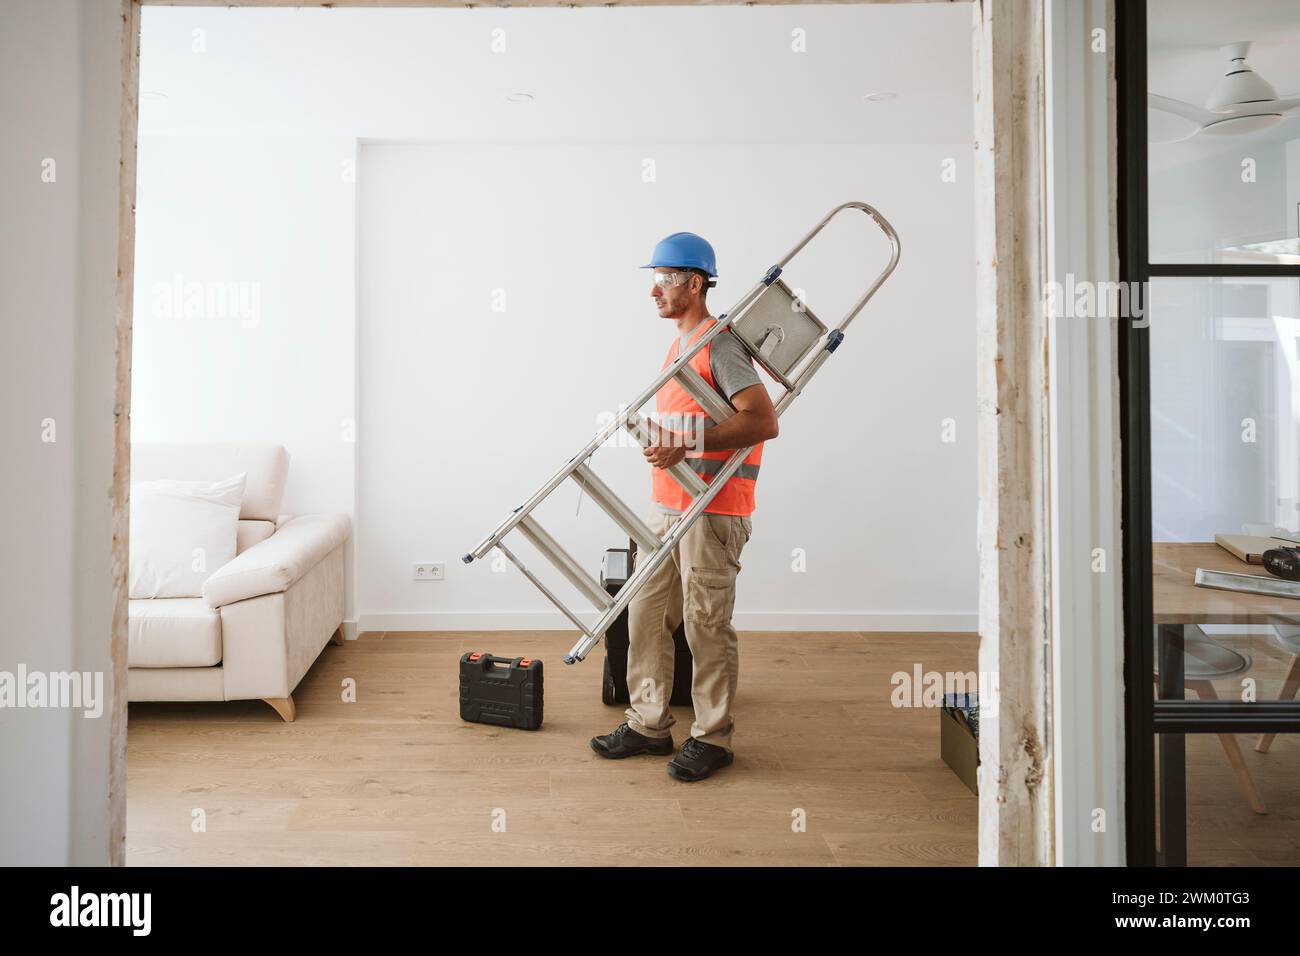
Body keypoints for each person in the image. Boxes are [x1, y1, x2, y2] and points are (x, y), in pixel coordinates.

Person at [589, 232, 779, 782]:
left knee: (705, 623)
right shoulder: (680, 343)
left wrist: (685, 444)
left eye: (665, 279)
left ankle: (713, 738)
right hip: (669, 507)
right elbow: (690, 423)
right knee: (646, 616)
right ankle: (649, 725)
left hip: (714, 511)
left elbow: (762, 421)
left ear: (695, 284)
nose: (654, 291)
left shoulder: (720, 343)